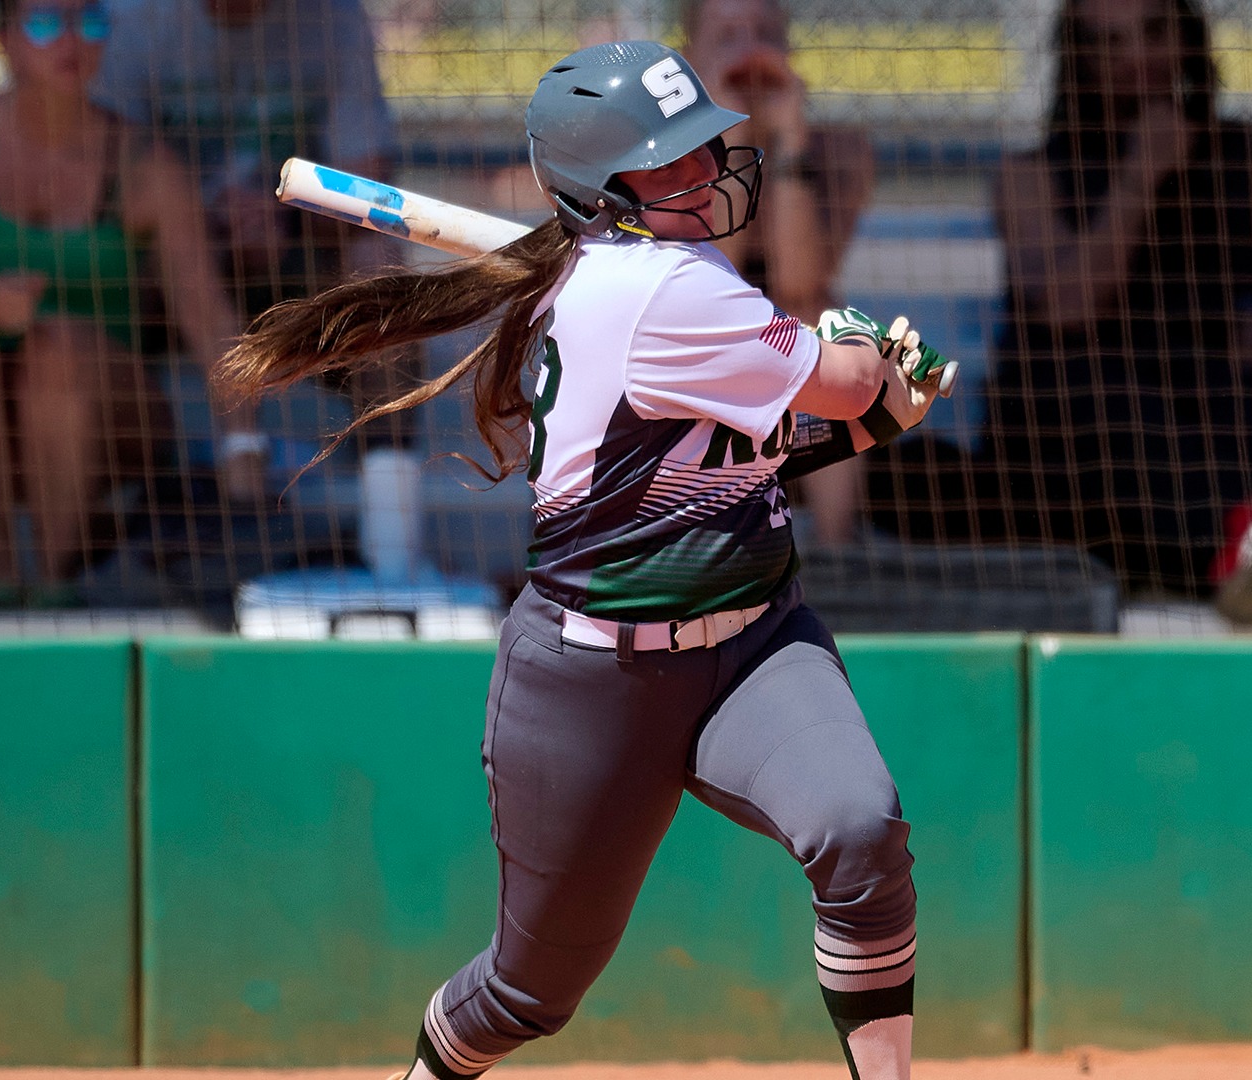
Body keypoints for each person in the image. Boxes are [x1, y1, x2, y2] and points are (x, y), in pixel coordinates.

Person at [218, 42, 946, 1080]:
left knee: (859, 830)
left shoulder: (668, 275)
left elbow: (735, 455)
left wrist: (876, 417)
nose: (703, 171)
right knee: (529, 992)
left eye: (703, 149)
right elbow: (833, 380)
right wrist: (867, 359)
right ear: (604, 194)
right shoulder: (661, 294)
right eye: (670, 162)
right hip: (591, 679)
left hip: (754, 644)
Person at [872, 0, 1252, 627]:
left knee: (1234, 405)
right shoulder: (1029, 176)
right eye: (1109, 44)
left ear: (1186, 37)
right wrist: (1140, 175)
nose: (1136, 60)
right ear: (1079, 59)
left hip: (1209, 416)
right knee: (1112, 417)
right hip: (1072, 436)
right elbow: (1065, 305)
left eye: (1153, 34)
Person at [0, 0, 254, 607]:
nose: (72, 41)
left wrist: (243, 448)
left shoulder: (146, 164)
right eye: (46, 22)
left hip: (108, 417)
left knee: (55, 351)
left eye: (93, 21)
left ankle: (58, 591)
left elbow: (210, 319)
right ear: (3, 39)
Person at [89, 0, 426, 578]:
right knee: (171, 238)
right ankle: (229, 471)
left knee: (380, 263)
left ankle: (391, 545)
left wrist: (285, 219)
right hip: (161, 269)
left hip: (298, 257)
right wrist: (201, 220)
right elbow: (96, 173)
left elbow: (370, 186)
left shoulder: (333, 18)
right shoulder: (133, 20)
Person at [680, 0, 877, 548]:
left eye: (765, 33)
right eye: (729, 38)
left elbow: (801, 281)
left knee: (824, 322)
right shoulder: (663, 159)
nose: (751, 52)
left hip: (786, 349)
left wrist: (788, 144)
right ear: (688, 58)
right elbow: (712, 276)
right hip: (693, 339)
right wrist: (731, 139)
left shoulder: (841, 151)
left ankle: (838, 553)